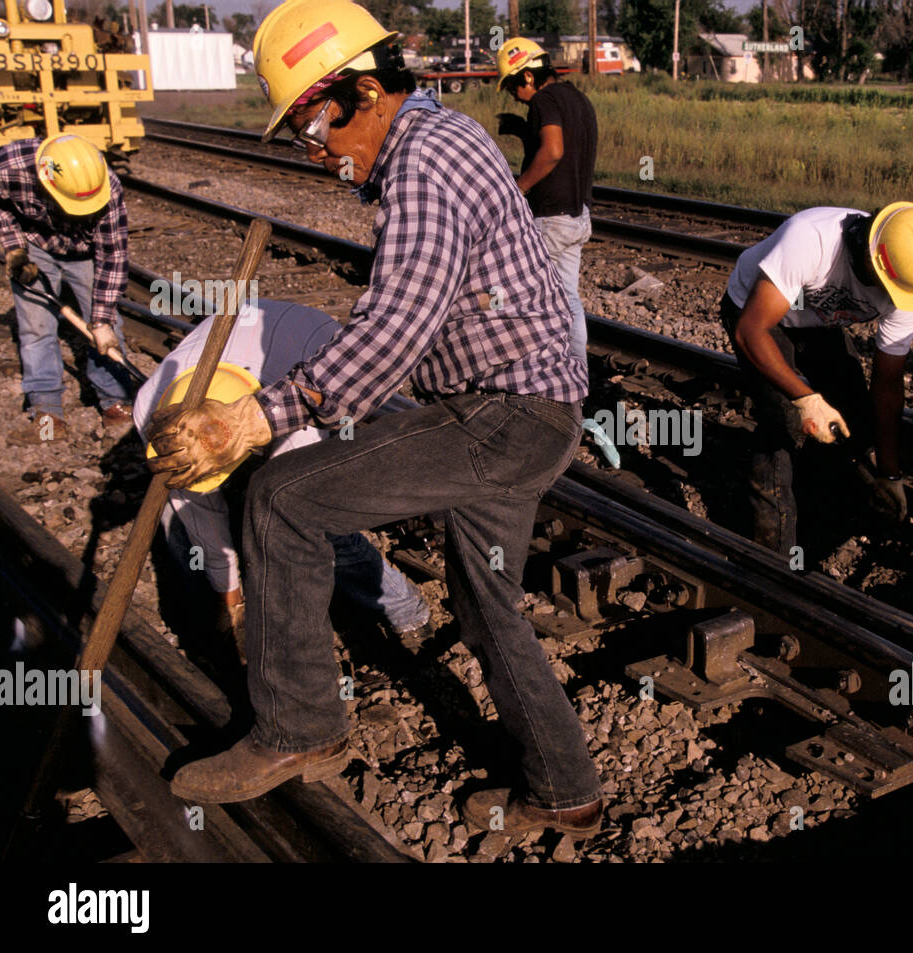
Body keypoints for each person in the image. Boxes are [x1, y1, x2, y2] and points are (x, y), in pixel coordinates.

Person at [147, 0, 601, 838]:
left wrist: (257, 416)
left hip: (503, 412)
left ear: (363, 92)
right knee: (487, 599)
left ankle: (298, 727)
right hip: (532, 405)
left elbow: (394, 328)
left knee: (283, 496)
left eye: (313, 123)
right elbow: (411, 322)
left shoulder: (426, 159)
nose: (313, 149)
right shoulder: (438, 144)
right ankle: (564, 788)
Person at [133, 299, 431, 660]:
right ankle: (208, 613)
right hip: (244, 339)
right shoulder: (151, 408)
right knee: (175, 514)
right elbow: (196, 508)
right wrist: (231, 601)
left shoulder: (300, 403)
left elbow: (299, 503)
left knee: (303, 510)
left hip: (305, 345)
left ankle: (404, 607)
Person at [720, 203, 913, 553]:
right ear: (874, 262)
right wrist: (806, 399)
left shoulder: (912, 283)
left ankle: (820, 520)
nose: (897, 301)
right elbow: (750, 331)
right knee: (786, 422)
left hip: (818, 322)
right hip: (757, 314)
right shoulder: (811, 239)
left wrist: (890, 475)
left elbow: (887, 389)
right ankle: (773, 551)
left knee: (854, 417)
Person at [0, 133, 132, 444]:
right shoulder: (9, 167)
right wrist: (15, 248)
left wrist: (100, 321)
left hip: (84, 250)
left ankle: (116, 402)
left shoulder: (107, 187)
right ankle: (47, 414)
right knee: (35, 327)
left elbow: (112, 256)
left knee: (107, 332)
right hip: (36, 245)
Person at [495, 36, 597, 367]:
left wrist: (517, 188)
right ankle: (576, 374)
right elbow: (563, 148)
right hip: (577, 215)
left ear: (527, 75)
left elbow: (553, 152)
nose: (514, 93)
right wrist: (524, 131)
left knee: (526, 297)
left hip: (551, 220)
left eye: (512, 85)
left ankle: (538, 374)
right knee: (568, 300)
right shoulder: (576, 98)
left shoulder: (543, 101)